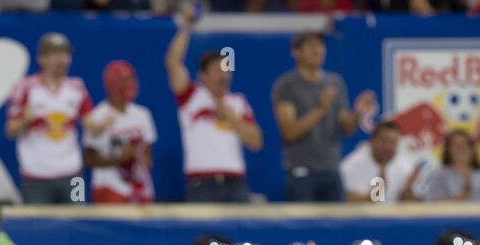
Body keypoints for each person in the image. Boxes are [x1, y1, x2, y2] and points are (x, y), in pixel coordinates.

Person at [165, 5, 262, 203]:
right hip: (202, 184)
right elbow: (173, 64)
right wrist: (186, 27)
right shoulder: (191, 96)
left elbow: (256, 142)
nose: (224, 75)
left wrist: (231, 117)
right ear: (203, 75)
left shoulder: (238, 102)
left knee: (238, 234)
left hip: (235, 183)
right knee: (204, 235)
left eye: (227, 70)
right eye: (218, 70)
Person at [271, 31, 376, 203]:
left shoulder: (335, 82)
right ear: (296, 52)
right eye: (311, 46)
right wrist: (321, 109)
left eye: (321, 46)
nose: (318, 50)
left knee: (335, 227)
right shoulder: (286, 86)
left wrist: (358, 112)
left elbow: (346, 128)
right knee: (304, 228)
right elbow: (289, 132)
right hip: (301, 172)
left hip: (331, 170)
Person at [5, 32, 103, 204]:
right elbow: (10, 131)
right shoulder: (25, 87)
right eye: (56, 54)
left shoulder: (77, 87)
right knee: (38, 226)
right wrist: (26, 121)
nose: (63, 60)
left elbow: (91, 126)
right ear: (42, 59)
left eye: (66, 54)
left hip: (74, 174)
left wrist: (104, 125)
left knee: (79, 220)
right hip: (36, 175)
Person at [83, 60, 156, 204]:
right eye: (123, 80)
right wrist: (121, 158)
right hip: (110, 188)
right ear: (111, 84)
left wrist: (141, 160)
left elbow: (148, 154)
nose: (129, 84)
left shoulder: (142, 114)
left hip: (140, 188)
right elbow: (89, 159)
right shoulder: (97, 117)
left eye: (131, 78)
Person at [340, 120, 422, 203]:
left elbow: (412, 205)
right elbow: (349, 204)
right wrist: (377, 192)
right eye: (384, 142)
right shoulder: (351, 166)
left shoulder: (405, 166)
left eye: (392, 143)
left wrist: (408, 188)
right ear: (372, 141)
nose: (388, 147)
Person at [419, 130, 480, 202]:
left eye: (467, 144)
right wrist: (464, 192)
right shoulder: (438, 175)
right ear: (447, 149)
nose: (462, 148)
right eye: (456, 145)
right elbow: (433, 205)